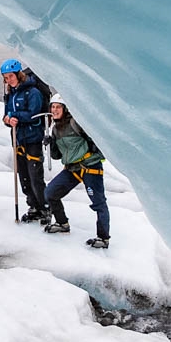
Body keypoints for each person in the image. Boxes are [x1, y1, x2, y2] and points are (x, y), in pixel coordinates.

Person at [42, 94, 110, 249]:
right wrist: (51, 143)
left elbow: (94, 137)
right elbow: (57, 156)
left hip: (90, 166)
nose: (55, 110)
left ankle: (103, 238)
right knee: (50, 193)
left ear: (65, 109)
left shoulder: (75, 123)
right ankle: (62, 223)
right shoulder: (55, 129)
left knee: (99, 203)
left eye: (58, 107)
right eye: (53, 107)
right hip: (72, 168)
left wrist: (95, 148)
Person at [1, 59, 51, 224]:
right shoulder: (11, 94)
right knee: (23, 175)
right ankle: (33, 206)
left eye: (11, 76)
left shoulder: (33, 92)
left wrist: (15, 117)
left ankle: (45, 208)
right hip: (18, 138)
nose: (9, 80)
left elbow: (33, 114)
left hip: (32, 139)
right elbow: (7, 114)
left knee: (35, 176)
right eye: (6, 77)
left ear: (18, 74)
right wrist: (7, 120)